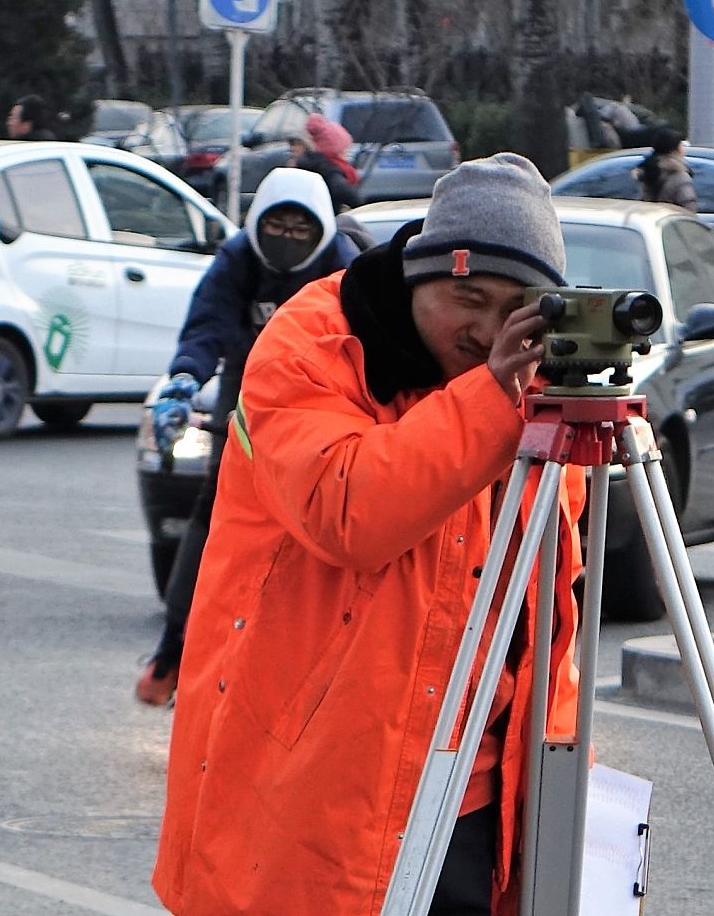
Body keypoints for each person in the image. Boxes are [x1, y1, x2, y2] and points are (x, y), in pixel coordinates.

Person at [151, 153, 586, 916]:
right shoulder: (313, 343)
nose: (485, 329)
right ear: (420, 274)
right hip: (317, 784)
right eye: (468, 297)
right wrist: (491, 401)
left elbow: (546, 605)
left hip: (476, 785)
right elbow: (350, 510)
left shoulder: (533, 384)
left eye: (514, 306)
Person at [134, 166, 362, 705]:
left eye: (299, 230)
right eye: (275, 227)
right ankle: (173, 649)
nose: (286, 240)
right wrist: (185, 378)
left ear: (322, 231)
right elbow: (207, 324)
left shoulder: (345, 269)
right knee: (215, 515)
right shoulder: (237, 260)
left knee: (319, 519)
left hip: (322, 400)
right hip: (249, 392)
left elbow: (367, 344)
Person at [287, 112, 361, 212]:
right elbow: (346, 193)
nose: (347, 154)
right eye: (345, 149)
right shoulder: (330, 170)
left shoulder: (308, 164)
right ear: (336, 151)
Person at [634, 127, 696, 211]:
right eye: (681, 146)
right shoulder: (680, 177)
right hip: (672, 222)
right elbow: (689, 209)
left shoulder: (646, 173)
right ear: (675, 150)